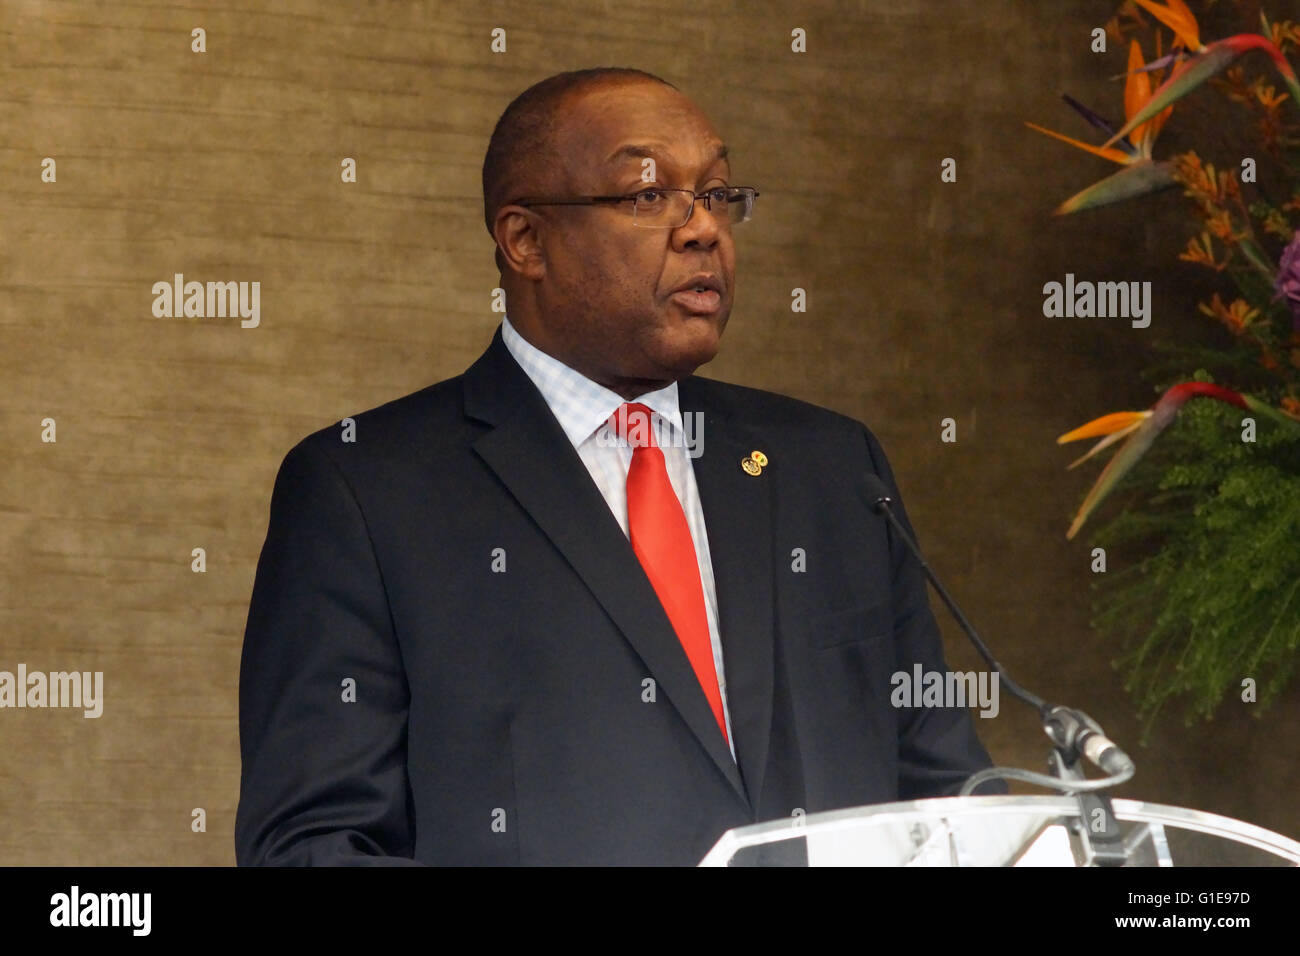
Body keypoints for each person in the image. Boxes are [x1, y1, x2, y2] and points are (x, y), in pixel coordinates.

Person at [235, 67, 1004, 867]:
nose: (702, 228)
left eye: (716, 193)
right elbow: (314, 846)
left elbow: (949, 798)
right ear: (525, 241)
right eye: (648, 195)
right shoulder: (367, 488)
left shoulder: (834, 469)